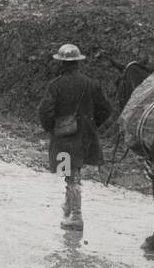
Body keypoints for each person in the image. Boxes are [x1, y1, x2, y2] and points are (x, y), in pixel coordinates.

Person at [37, 43, 113, 231]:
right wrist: (92, 125)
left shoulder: (55, 86)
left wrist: (52, 128)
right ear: (78, 63)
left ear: (61, 64)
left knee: (70, 174)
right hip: (86, 137)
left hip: (64, 138)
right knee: (73, 171)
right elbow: (106, 109)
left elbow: (45, 112)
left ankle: (76, 217)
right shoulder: (91, 84)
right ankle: (69, 206)